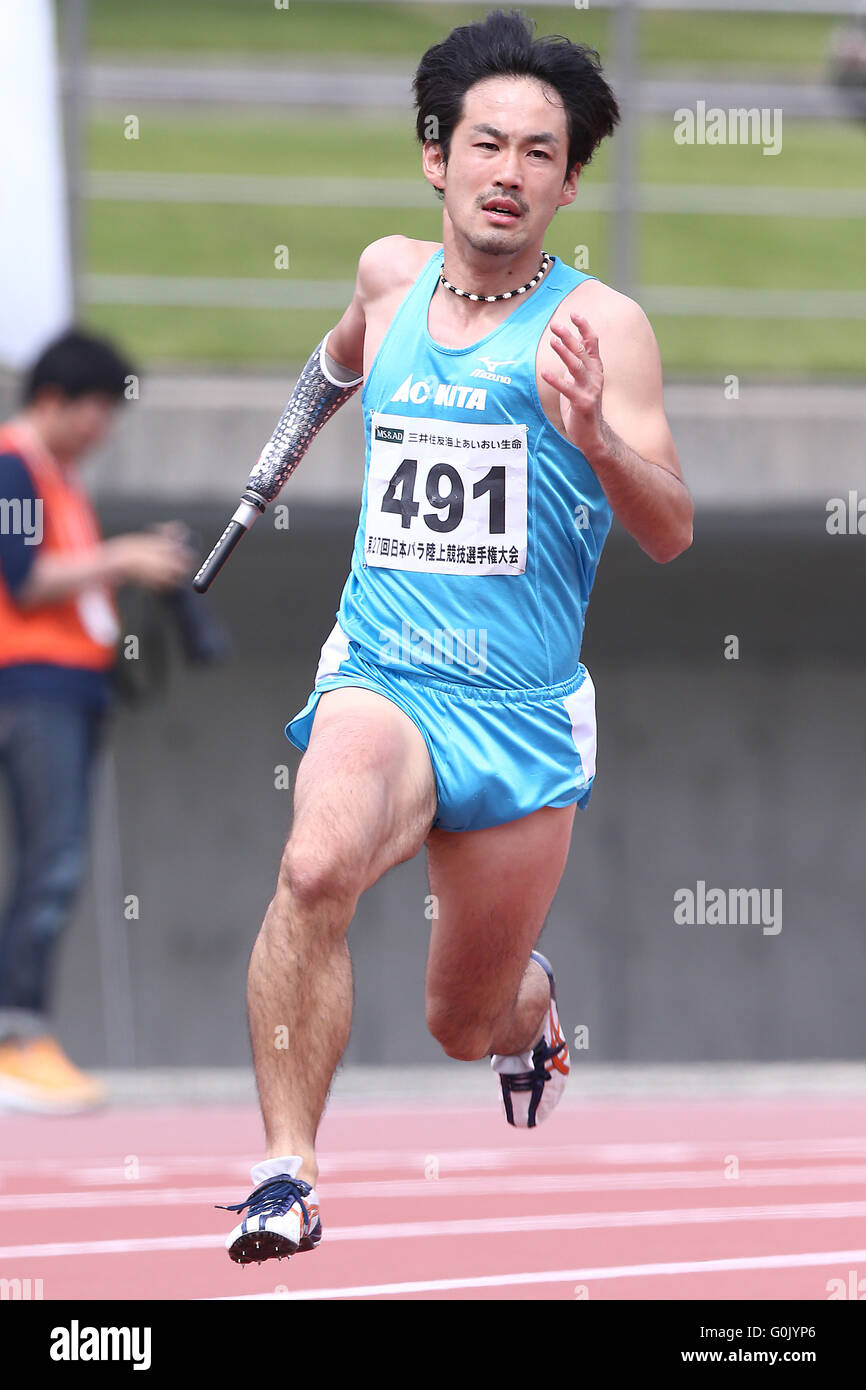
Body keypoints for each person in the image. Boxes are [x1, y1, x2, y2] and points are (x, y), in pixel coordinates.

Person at [216, 9, 693, 1264]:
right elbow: (333, 365)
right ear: (438, 157)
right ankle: (284, 1172)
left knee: (461, 1018)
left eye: (540, 153)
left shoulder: (606, 328)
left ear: (567, 180)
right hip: (384, 672)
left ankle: (530, 1009)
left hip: (521, 714)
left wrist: (596, 438)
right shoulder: (388, 278)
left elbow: (670, 527)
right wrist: (269, 472)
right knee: (314, 869)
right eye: (487, 144)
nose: (508, 172)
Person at [0, 328, 196, 1112]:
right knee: (51, 864)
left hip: (65, 690)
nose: (103, 428)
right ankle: (17, 1039)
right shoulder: (15, 467)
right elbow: (25, 577)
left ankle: (22, 1034)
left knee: (51, 864)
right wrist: (124, 558)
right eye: (94, 410)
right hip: (33, 691)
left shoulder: (54, 473)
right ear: (53, 401)